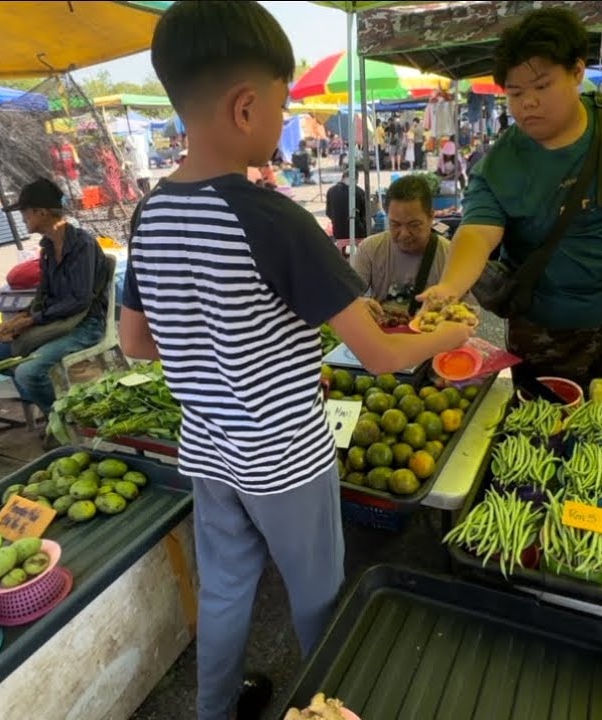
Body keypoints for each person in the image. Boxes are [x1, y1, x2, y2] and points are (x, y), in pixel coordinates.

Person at [122, 5, 473, 720]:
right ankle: (322, 706)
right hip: (284, 455)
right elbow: (377, 355)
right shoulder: (272, 216)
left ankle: (214, 712)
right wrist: (449, 335)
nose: (284, 121)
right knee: (316, 594)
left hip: (210, 449)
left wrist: (225, 344)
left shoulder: (150, 213)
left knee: (224, 591)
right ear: (245, 104)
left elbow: (137, 343)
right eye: (283, 105)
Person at [421, 8, 602, 389]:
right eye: (515, 93)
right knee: (547, 428)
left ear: (577, 71)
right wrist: (449, 287)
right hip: (545, 328)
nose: (528, 102)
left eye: (541, 86)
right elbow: (477, 233)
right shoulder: (500, 164)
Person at [0, 178, 108, 414]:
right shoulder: (48, 249)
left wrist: (33, 320)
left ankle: (61, 418)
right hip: (53, 322)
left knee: (27, 372)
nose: (23, 219)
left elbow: (79, 300)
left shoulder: (83, 245)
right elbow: (44, 294)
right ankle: (53, 404)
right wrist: (19, 318)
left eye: (26, 214)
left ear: (42, 212)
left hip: (85, 324)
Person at [353, 175, 468, 325]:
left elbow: (466, 315)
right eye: (395, 224)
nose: (404, 233)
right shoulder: (370, 250)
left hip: (435, 342)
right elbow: (350, 300)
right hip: (384, 342)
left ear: (431, 217)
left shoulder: (451, 256)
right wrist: (360, 305)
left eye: (414, 225)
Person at [325, 171, 368, 240]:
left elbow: (328, 213)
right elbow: (365, 214)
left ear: (342, 178)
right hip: (358, 233)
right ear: (356, 180)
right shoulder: (359, 192)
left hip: (338, 232)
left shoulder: (330, 191)